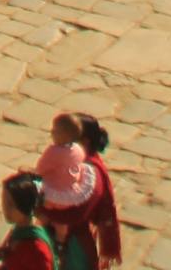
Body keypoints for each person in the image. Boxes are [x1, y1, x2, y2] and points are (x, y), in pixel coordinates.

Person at [39, 112, 122, 265]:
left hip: (75, 246)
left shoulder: (92, 173)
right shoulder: (70, 161)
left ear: (84, 142)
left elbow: (76, 214)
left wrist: (41, 208)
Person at [0, 171, 59, 265]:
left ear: (24, 204)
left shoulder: (38, 250)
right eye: (3, 201)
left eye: (11, 205)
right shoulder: (21, 229)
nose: (5, 208)